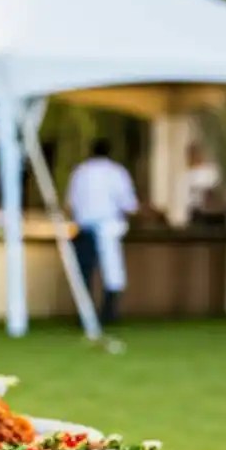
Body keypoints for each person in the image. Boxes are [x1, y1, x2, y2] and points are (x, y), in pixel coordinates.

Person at [65, 138, 138, 324]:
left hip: (84, 228)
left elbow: (70, 203)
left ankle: (85, 313)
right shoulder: (116, 172)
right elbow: (128, 204)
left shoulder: (80, 172)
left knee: (85, 272)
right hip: (109, 227)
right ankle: (109, 312)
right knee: (112, 272)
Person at [186, 143, 223, 225]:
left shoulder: (210, 172)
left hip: (209, 213)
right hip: (195, 212)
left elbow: (213, 191)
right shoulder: (188, 175)